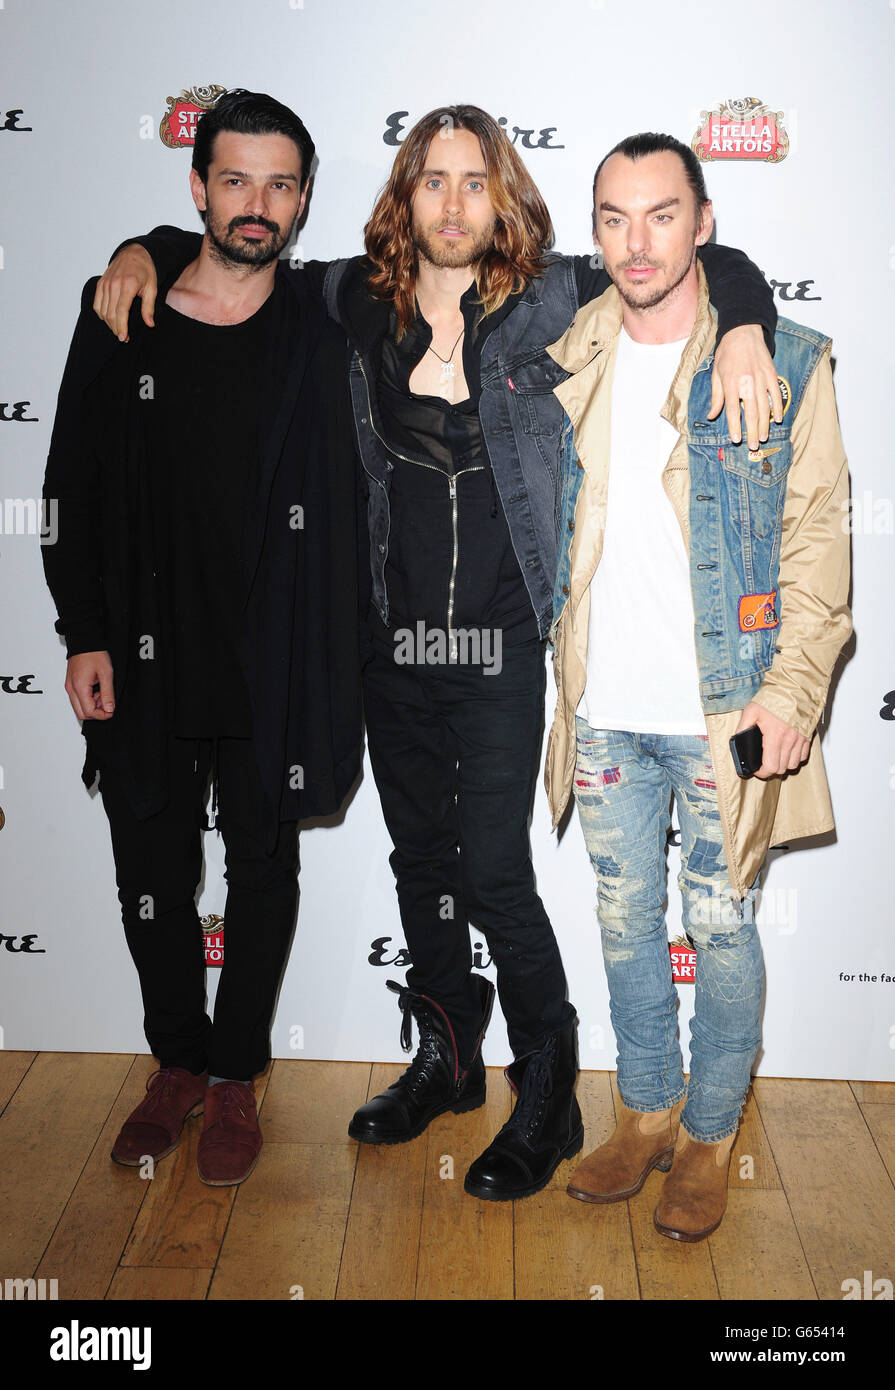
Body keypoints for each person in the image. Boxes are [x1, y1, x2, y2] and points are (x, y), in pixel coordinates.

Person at [93, 104, 780, 1202]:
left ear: (499, 194)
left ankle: (544, 1091)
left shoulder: (556, 293)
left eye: (474, 181)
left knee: (498, 874)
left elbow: (700, 255)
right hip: (392, 643)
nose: (453, 203)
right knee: (423, 866)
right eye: (432, 181)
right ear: (403, 196)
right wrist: (152, 246)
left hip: (502, 644)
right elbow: (240, 244)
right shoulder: (354, 299)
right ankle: (448, 1059)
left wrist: (743, 319)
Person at [42, 90, 363, 1187]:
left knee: (263, 868)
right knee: (150, 866)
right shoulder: (122, 308)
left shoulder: (326, 316)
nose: (256, 205)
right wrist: (82, 632)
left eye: (280, 184)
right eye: (233, 181)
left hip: (270, 656)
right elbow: (69, 487)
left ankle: (235, 1077)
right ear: (196, 186)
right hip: (143, 650)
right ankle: (174, 1061)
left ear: (305, 198)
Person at [544, 132, 851, 1239]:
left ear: (705, 223)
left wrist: (794, 693)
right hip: (604, 708)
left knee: (719, 928)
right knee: (626, 925)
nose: (638, 240)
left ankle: (710, 1133)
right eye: (614, 217)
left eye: (662, 214)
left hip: (728, 711)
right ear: (595, 232)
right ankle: (641, 1113)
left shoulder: (786, 362)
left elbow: (820, 543)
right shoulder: (567, 344)